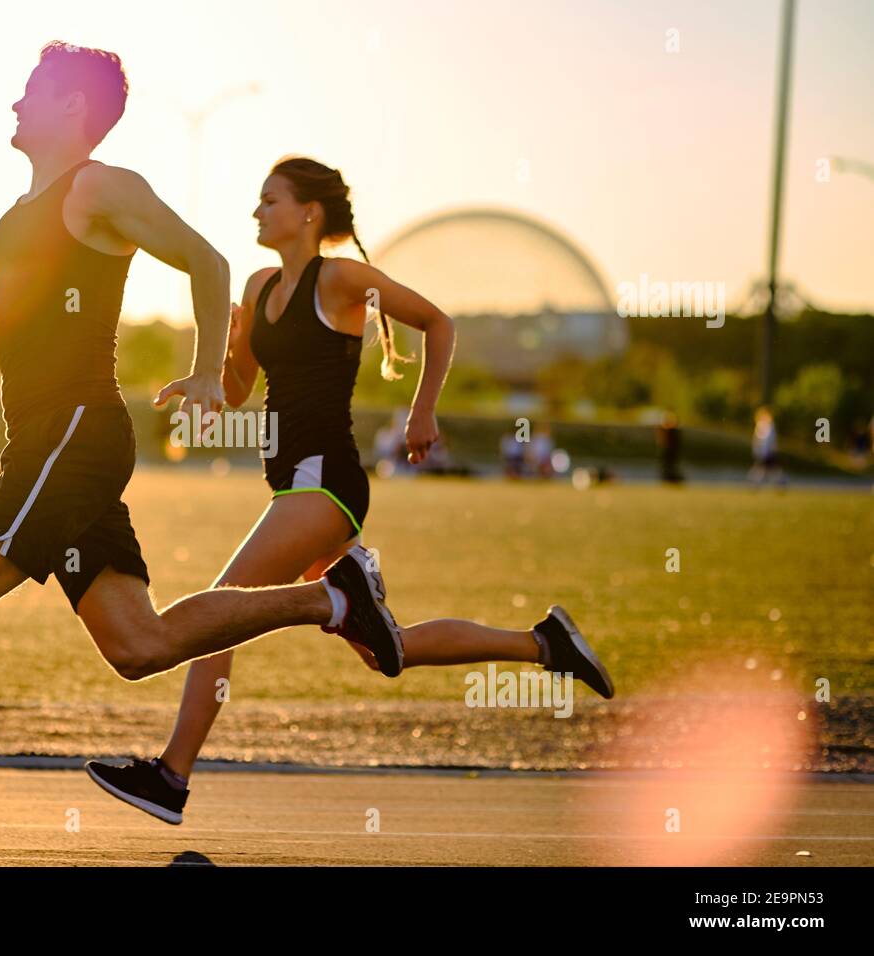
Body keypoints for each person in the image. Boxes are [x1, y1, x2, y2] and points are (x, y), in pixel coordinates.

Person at [0, 44, 401, 865]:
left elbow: (206, 261)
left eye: (31, 91)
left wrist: (210, 372)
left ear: (72, 108)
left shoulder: (99, 188)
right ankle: (333, 600)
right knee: (138, 645)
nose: (14, 105)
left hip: (76, 434)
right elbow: (15, 351)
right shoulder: (13, 220)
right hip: (46, 438)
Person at [85, 158, 615, 825]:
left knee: (220, 614)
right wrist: (209, 381)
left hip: (324, 481)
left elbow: (439, 322)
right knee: (384, 648)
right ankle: (545, 644)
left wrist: (423, 411)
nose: (257, 211)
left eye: (270, 200)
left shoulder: (341, 281)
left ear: (309, 212)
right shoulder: (259, 286)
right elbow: (242, 386)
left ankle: (171, 776)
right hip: (293, 486)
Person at [749, 406, 785, 486]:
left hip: (768, 452)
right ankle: (780, 482)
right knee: (766, 468)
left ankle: (755, 483)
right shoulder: (763, 425)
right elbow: (761, 441)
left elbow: (771, 441)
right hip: (765, 453)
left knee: (766, 468)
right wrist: (760, 452)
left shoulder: (770, 426)